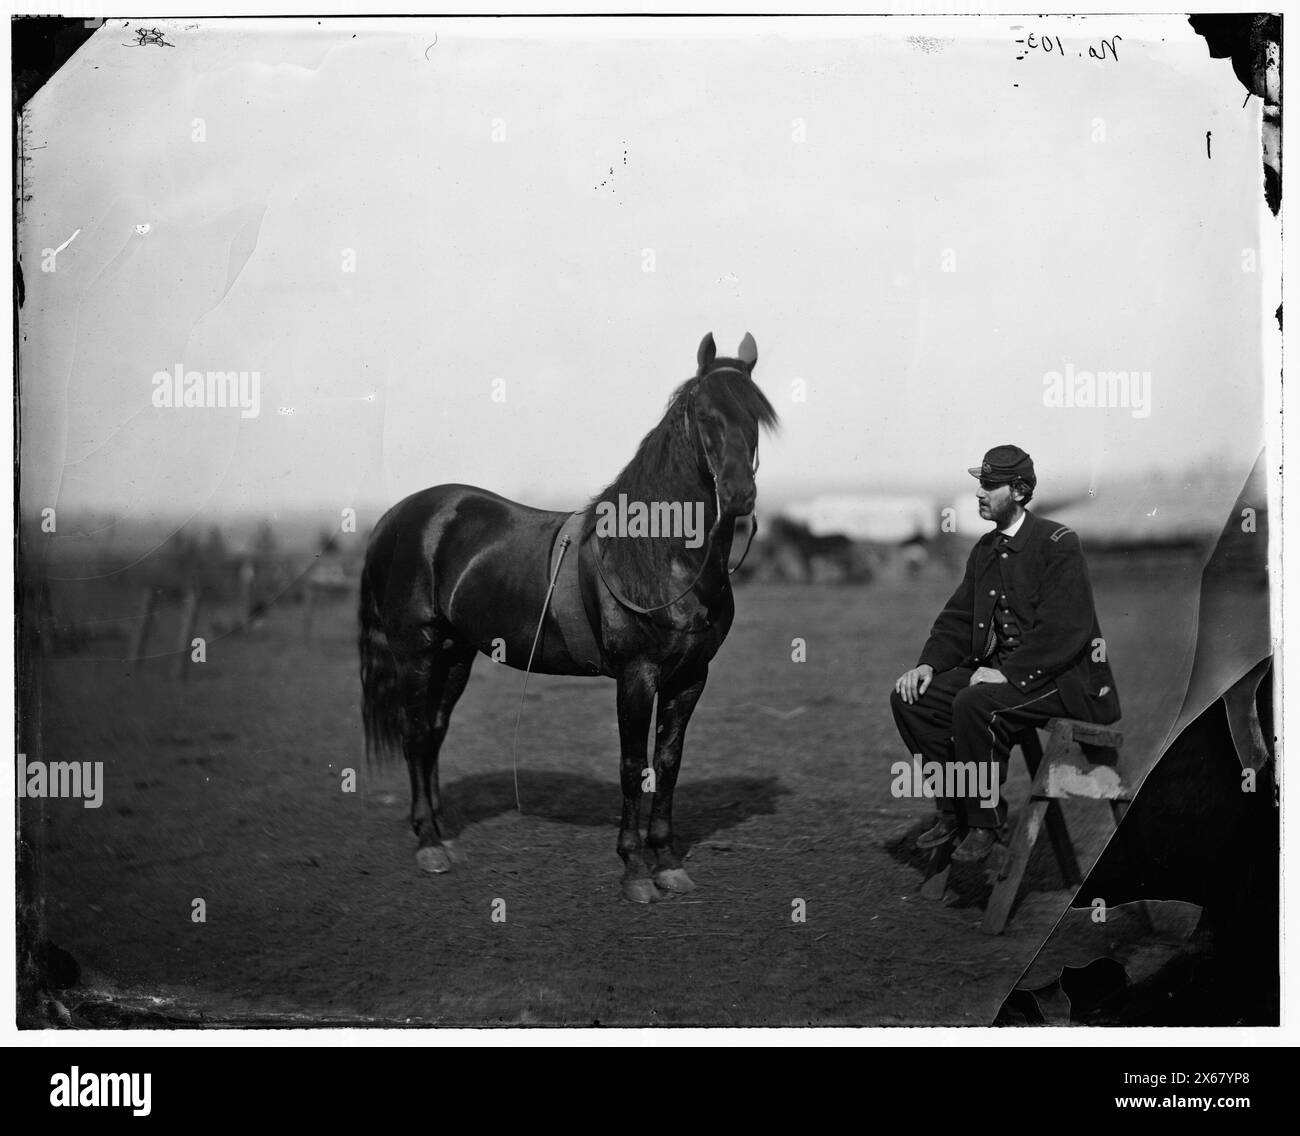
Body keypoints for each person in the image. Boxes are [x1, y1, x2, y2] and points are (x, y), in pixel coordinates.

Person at [890, 445, 1121, 863]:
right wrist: (927, 665)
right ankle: (957, 810)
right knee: (914, 700)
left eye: (989, 485)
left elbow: (1065, 629)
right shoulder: (985, 550)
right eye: (980, 483)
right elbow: (957, 621)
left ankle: (986, 824)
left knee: (977, 702)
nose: (979, 493)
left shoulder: (1058, 543)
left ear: (1017, 490)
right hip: (1008, 677)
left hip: (1063, 682)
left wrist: (1009, 675)